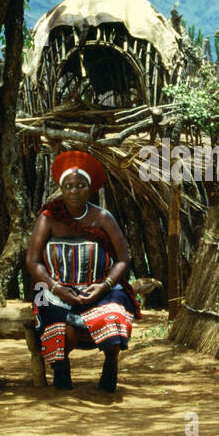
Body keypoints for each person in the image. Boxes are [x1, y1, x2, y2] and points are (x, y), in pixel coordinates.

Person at [26, 150, 139, 392]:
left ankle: (111, 363)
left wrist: (104, 286)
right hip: (56, 289)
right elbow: (33, 262)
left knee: (113, 316)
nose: (74, 191)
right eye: (68, 185)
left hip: (100, 288)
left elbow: (123, 259)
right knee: (63, 330)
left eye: (80, 186)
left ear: (90, 190)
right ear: (61, 188)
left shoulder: (102, 218)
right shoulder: (49, 218)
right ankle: (61, 367)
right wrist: (57, 288)